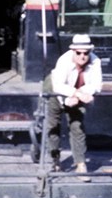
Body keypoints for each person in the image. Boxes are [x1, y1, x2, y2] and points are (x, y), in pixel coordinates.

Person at [43, 34, 103, 179]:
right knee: (53, 124)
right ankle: (55, 160)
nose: (82, 56)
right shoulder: (63, 61)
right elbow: (58, 86)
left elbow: (97, 85)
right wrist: (67, 99)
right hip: (55, 89)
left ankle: (81, 164)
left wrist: (83, 93)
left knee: (77, 126)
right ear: (73, 51)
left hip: (78, 91)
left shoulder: (95, 62)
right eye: (79, 53)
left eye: (86, 53)